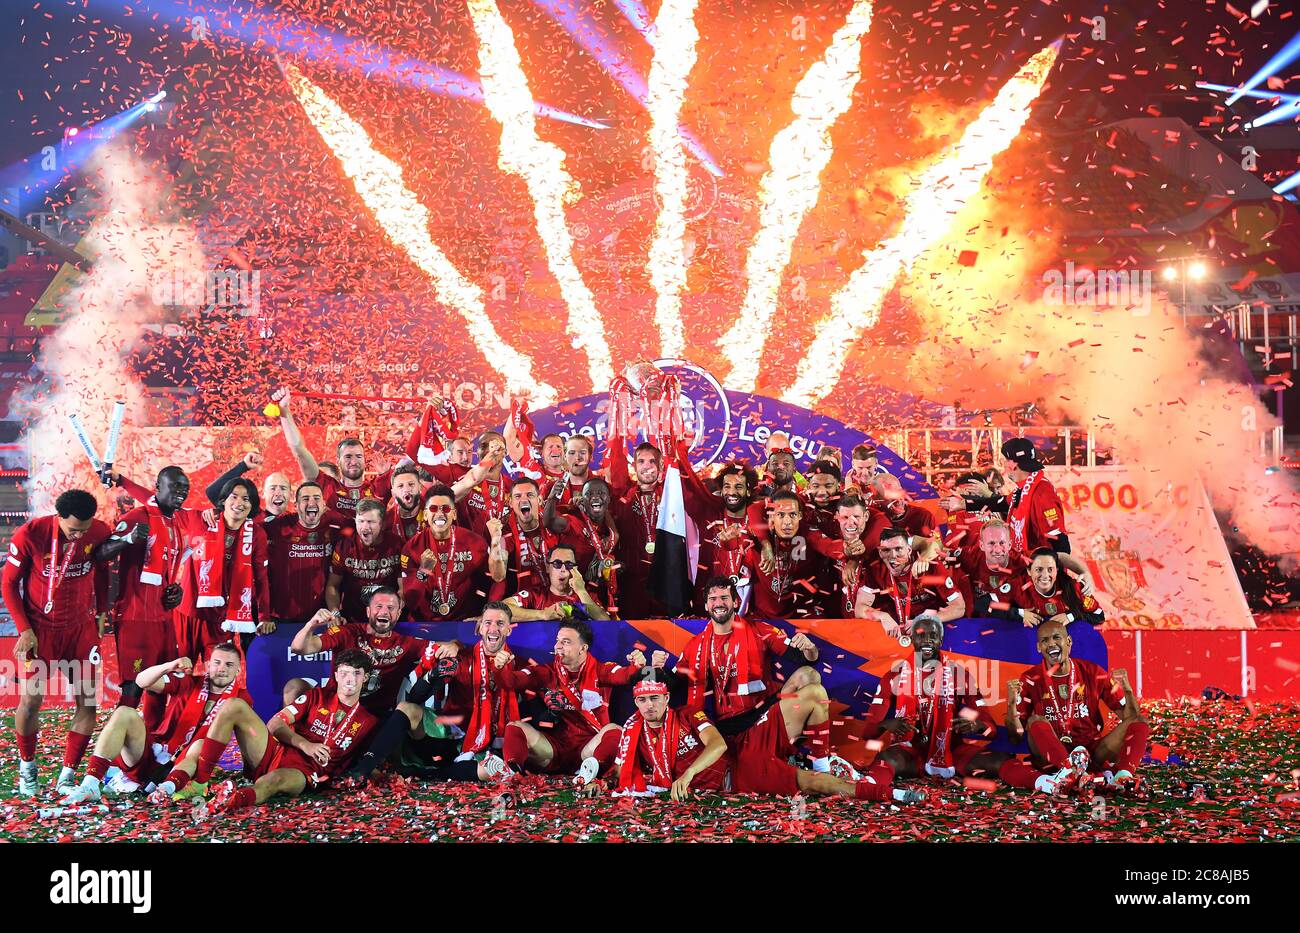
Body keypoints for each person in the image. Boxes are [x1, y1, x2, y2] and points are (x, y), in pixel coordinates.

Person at [3, 490, 112, 796]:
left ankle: (66, 776)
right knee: (31, 701)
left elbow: (103, 571)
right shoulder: (31, 534)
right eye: (73, 529)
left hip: (81, 630)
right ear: (59, 517)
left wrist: (102, 610)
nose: (79, 536)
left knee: (88, 703)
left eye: (85, 529)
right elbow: (9, 584)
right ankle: (28, 768)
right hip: (40, 631)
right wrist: (24, 629)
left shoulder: (99, 531)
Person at [342, 602, 526, 784]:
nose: (493, 629)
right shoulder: (461, 657)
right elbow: (415, 697)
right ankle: (362, 770)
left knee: (490, 770)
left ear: (509, 630)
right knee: (407, 708)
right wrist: (434, 675)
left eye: (500, 624)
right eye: (488, 623)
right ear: (480, 627)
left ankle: (426, 774)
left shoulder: (519, 663)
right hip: (451, 733)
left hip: (488, 744)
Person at [187, 648, 379, 816]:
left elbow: (370, 760)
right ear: (336, 675)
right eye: (344, 673)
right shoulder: (316, 696)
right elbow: (275, 723)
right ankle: (201, 781)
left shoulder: (368, 721)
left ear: (366, 677)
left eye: (356, 673)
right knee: (234, 705)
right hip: (275, 752)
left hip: (305, 772)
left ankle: (225, 805)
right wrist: (305, 745)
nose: (350, 679)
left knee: (274, 780)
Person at [60, 644, 249, 804]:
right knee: (124, 712)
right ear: (208, 665)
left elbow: (245, 738)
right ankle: (91, 784)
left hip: (186, 767)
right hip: (154, 754)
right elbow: (141, 681)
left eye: (229, 664)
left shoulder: (241, 699)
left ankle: (167, 788)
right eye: (217, 662)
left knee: (201, 744)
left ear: (238, 669)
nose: (222, 668)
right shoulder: (190, 682)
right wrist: (168, 666)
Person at [999, 619, 1149, 795]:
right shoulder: (1030, 679)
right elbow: (1015, 737)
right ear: (1039, 647)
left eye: (1056, 638)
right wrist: (1011, 706)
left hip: (1092, 752)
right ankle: (1068, 770)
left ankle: (1122, 777)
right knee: (1035, 720)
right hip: (1052, 757)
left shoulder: (1093, 672)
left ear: (1068, 642)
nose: (1051, 644)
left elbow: (1130, 719)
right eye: (1045, 640)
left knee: (1140, 721)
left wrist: (1128, 692)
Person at [95, 467, 192, 732]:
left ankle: (149, 745)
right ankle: (115, 758)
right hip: (136, 616)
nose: (181, 493)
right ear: (157, 487)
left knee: (161, 683)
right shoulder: (137, 515)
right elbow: (101, 553)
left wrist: (176, 591)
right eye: (175, 487)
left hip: (164, 616)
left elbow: (169, 568)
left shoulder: (178, 523)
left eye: (185, 488)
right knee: (133, 685)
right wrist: (127, 539)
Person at [497, 619, 643, 782]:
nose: (557, 646)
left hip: (588, 749)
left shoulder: (601, 670)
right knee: (514, 727)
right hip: (552, 749)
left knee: (614, 730)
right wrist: (502, 667)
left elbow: (624, 676)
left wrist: (636, 666)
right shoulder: (547, 672)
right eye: (557, 641)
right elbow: (512, 681)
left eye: (565, 642)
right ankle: (511, 772)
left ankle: (592, 771)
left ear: (583, 648)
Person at [863, 617, 1003, 780]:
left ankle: (1039, 781)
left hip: (952, 752)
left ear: (941, 640)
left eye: (933, 636)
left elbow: (992, 730)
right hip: (908, 752)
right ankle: (870, 789)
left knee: (999, 761)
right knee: (887, 760)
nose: (927, 641)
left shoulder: (960, 675)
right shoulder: (894, 676)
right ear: (912, 639)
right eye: (921, 635)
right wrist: (886, 724)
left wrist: (978, 726)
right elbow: (867, 733)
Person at [173, 477, 272, 658]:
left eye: (246, 499)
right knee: (179, 674)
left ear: (252, 506)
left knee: (219, 677)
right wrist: (122, 480)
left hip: (222, 619)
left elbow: (261, 578)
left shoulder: (257, 534)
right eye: (234, 497)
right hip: (187, 613)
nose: (239, 503)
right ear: (223, 500)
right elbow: (160, 504)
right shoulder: (200, 520)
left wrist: (265, 616)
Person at [288, 587, 422, 715]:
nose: (384, 612)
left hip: (373, 715)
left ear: (398, 613)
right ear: (368, 611)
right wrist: (311, 625)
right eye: (379, 606)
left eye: (391, 608)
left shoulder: (407, 643)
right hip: (332, 707)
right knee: (294, 686)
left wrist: (444, 647)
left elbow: (439, 647)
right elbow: (298, 648)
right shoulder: (347, 632)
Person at [272, 387, 397, 517]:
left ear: (365, 460)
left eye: (358, 456)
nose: (353, 461)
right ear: (338, 461)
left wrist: (386, 475)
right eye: (348, 456)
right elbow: (299, 449)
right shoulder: (327, 487)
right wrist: (284, 410)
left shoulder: (377, 488)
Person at [400, 485, 506, 620]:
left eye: (445, 508)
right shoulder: (411, 548)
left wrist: (490, 613)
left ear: (454, 514)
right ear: (425, 514)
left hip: (464, 622)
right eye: (433, 508)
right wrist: (423, 572)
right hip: (424, 623)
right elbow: (411, 601)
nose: (439, 514)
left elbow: (498, 578)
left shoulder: (474, 542)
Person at [745, 490, 852, 618]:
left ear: (800, 515)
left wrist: (848, 549)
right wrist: (765, 544)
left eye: (793, 514)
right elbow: (753, 509)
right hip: (763, 616)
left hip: (801, 615)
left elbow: (829, 546)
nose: (787, 522)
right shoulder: (758, 534)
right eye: (780, 515)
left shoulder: (807, 533)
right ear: (771, 516)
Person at [677, 458, 761, 612]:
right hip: (709, 605)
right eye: (727, 486)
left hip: (748, 607)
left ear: (748, 491)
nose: (732, 492)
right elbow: (687, 490)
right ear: (721, 490)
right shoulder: (708, 513)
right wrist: (679, 456)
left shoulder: (758, 520)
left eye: (738, 486)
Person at [854, 529, 965, 634]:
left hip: (935, 628)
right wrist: (882, 616)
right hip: (900, 629)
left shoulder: (931, 566)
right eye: (886, 550)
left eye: (898, 549)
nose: (893, 556)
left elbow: (959, 607)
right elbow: (859, 608)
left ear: (909, 550)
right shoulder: (876, 569)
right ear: (880, 553)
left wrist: (927, 620)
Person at [264, 480, 340, 632]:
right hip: (280, 619)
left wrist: (335, 612)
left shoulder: (335, 527)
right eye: (305, 499)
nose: (311, 502)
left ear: (324, 505)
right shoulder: (276, 526)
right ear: (296, 505)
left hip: (321, 617)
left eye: (316, 498)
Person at [326, 497, 405, 623]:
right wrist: (335, 613)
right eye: (361, 521)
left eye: (371, 522)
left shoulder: (396, 545)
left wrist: (395, 608)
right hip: (352, 619)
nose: (365, 527)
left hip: (387, 620)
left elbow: (403, 587)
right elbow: (333, 586)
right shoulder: (344, 546)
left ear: (383, 524)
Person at [1001, 437, 1069, 558]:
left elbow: (1059, 539)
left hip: (1040, 570)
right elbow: (1002, 502)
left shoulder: (1041, 492)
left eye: (1004, 460)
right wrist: (967, 504)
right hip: (1029, 567)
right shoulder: (1024, 488)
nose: (1003, 465)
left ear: (1013, 464)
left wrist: (1058, 574)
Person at [505, 544, 610, 621]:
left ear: (575, 569)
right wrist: (542, 614)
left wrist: (581, 591)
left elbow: (607, 623)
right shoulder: (535, 595)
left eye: (569, 564)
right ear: (548, 567)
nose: (563, 569)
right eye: (557, 563)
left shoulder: (587, 596)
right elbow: (501, 610)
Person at [1007, 547, 1105, 628]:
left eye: (1050, 569)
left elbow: (1099, 616)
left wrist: (1071, 616)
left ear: (1057, 570)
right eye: (1039, 569)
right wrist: (1019, 614)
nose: (1045, 575)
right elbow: (993, 606)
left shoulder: (1075, 588)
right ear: (1029, 571)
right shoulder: (1018, 587)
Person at [450, 431, 513, 539]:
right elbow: (449, 497)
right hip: (468, 552)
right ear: (477, 452)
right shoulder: (463, 479)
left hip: (500, 552)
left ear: (505, 452)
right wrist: (491, 456)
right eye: (484, 446)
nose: (489, 450)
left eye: (495, 445)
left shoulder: (512, 488)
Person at [500, 477, 554, 594]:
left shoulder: (553, 523)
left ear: (539, 500)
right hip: (525, 598)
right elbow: (497, 576)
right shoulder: (505, 532)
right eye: (518, 496)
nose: (524, 500)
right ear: (510, 503)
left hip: (557, 593)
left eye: (530, 495)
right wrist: (495, 539)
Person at [202, 451, 291, 522]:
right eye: (273, 488)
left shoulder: (297, 521)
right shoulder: (248, 514)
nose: (278, 493)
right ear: (263, 493)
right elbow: (213, 492)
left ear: (291, 494)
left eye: (283, 488)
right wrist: (243, 466)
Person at [874, 474, 937, 539]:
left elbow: (932, 545)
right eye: (890, 496)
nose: (898, 500)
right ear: (878, 500)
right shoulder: (873, 517)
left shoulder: (923, 516)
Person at [386, 464, 427, 542]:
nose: (406, 489)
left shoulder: (433, 512)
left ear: (420, 487)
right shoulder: (387, 520)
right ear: (393, 493)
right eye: (400, 486)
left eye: (411, 484)